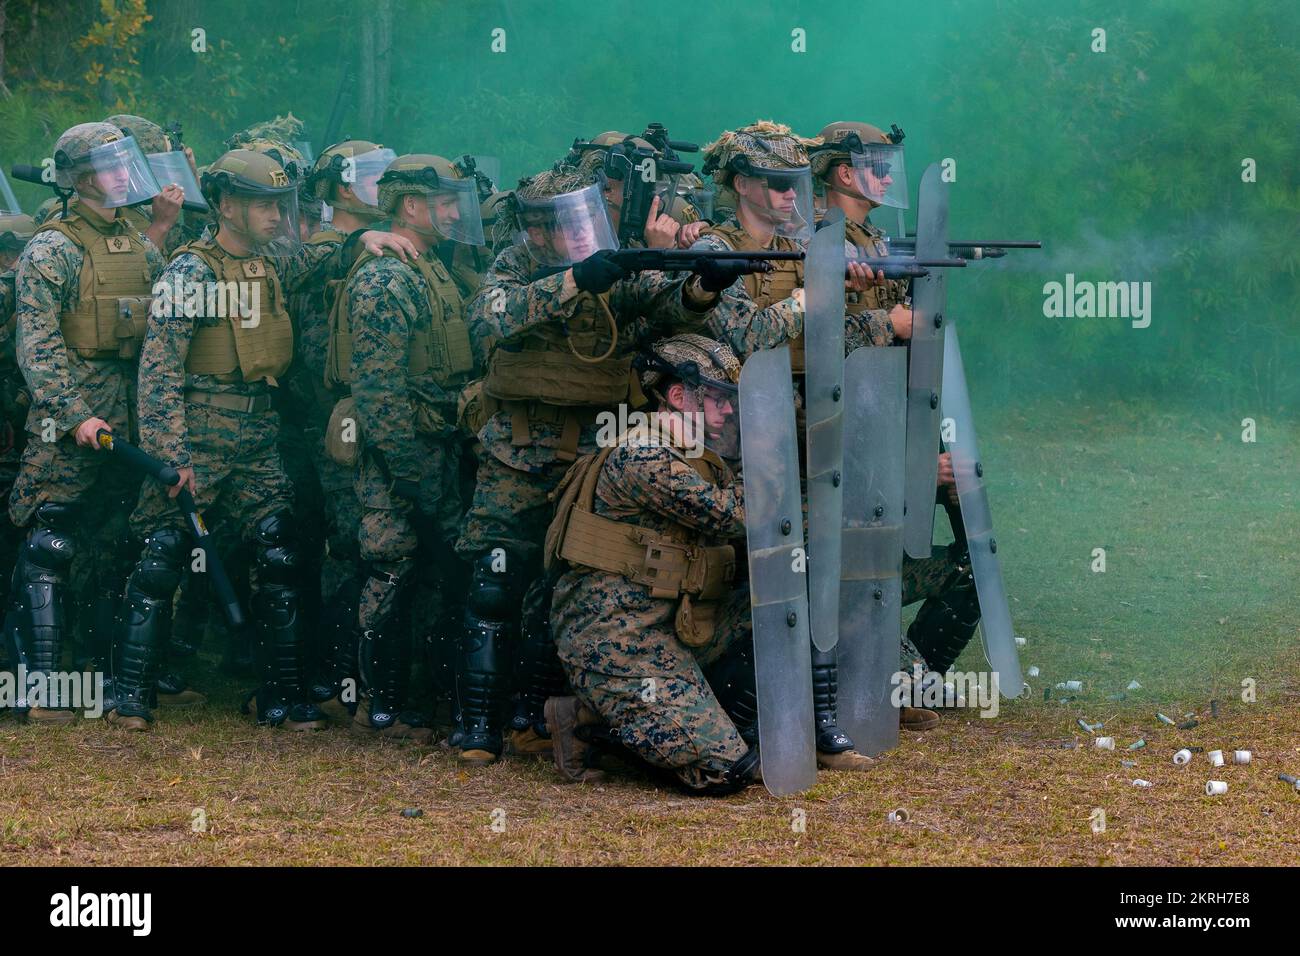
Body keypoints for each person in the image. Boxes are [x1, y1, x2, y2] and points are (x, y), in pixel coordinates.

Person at [451, 164, 745, 765]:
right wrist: (573, 282)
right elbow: (488, 318)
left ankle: (537, 715)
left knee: (568, 580)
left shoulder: (610, 270)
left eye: (586, 221)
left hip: (594, 449)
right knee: (495, 582)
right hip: (519, 452)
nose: (584, 235)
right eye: (567, 226)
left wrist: (702, 287)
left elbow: (665, 309)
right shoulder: (513, 269)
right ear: (536, 232)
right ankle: (475, 724)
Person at [112, 148, 414, 731]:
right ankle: (133, 694)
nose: (277, 217)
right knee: (163, 557)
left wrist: (360, 243)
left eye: (281, 205)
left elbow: (314, 265)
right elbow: (158, 369)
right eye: (262, 206)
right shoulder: (190, 271)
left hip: (256, 434)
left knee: (280, 553)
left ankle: (280, 696)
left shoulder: (271, 260)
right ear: (226, 206)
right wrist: (170, 457)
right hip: (198, 430)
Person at [545, 333, 759, 793]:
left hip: (677, 624)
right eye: (719, 400)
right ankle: (586, 720)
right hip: (617, 635)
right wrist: (772, 461)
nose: (727, 413)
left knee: (773, 615)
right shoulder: (644, 456)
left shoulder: (694, 454)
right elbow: (739, 515)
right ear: (679, 397)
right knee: (723, 773)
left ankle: (692, 708)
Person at [5, 122, 168, 724]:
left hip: (125, 416)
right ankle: (42, 688)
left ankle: (100, 680)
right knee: (51, 540)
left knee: (111, 545)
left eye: (127, 162)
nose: (125, 174)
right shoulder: (52, 249)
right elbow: (37, 348)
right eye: (110, 166)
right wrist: (73, 414)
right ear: (77, 179)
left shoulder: (142, 247)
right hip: (67, 420)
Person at [329, 154, 484, 738]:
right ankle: (379, 705)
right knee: (390, 569)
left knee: (431, 574)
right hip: (400, 454)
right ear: (411, 206)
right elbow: (377, 389)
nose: (453, 213)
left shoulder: (434, 267)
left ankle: (415, 697)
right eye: (444, 202)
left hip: (437, 443)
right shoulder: (386, 276)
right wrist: (408, 468)